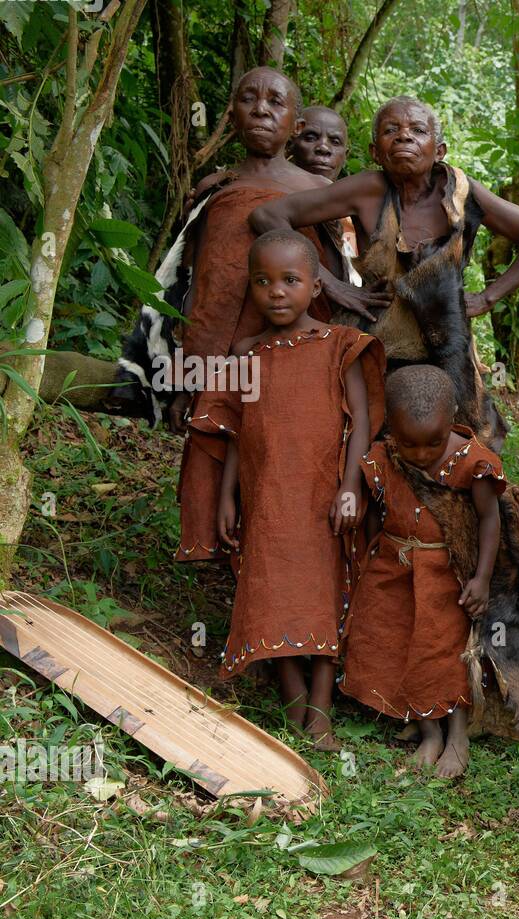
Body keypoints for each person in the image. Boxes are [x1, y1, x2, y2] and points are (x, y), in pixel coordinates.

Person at [251, 96, 519, 445]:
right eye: (391, 130)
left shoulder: (462, 192)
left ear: (439, 149)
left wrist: (488, 297)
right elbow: (268, 217)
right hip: (376, 346)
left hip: (448, 349)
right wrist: (331, 284)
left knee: (457, 450)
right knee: (369, 446)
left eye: (418, 130)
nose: (404, 137)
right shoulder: (368, 189)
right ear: (375, 151)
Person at [213, 229, 384, 747]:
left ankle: (322, 712)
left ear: (316, 287)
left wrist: (351, 485)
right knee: (269, 589)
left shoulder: (339, 346)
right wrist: (226, 495)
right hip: (265, 499)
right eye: (262, 281)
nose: (276, 292)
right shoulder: (248, 353)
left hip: (321, 497)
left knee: (323, 593)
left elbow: (361, 423)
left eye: (290, 280)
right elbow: (241, 433)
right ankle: (294, 704)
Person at [173, 68, 333, 562]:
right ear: (232, 113)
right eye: (248, 99)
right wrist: (185, 373)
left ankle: (275, 578)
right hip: (220, 358)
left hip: (293, 360)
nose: (261, 110)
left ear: (295, 122)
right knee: (223, 450)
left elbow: (331, 280)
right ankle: (229, 566)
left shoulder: (319, 190)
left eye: (276, 102)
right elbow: (194, 283)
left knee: (281, 459)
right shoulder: (213, 186)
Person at [340, 364, 506, 779]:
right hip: (393, 569)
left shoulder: (474, 464)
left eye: (432, 442)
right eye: (408, 444)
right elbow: (377, 512)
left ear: (452, 419)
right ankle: (428, 731)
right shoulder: (385, 457)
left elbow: (490, 520)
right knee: (394, 643)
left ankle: (457, 735)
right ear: (391, 429)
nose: (421, 455)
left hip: (444, 574)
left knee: (441, 651)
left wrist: (481, 578)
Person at [287, 105, 360, 270]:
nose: (323, 148)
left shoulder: (354, 214)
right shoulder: (271, 201)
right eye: (311, 138)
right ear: (290, 145)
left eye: (335, 142)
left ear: (345, 156)